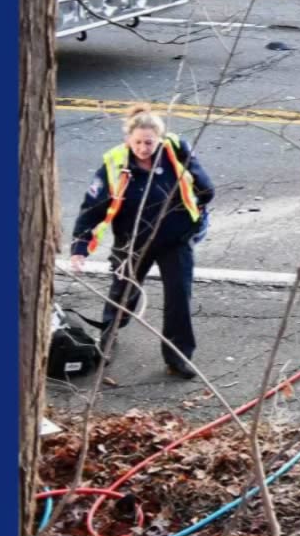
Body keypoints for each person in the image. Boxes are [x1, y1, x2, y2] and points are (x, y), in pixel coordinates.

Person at [69, 105, 215, 380]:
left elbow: (206, 189)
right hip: (132, 241)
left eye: (149, 142)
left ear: (159, 139)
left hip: (176, 239)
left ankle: (178, 357)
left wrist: (195, 202)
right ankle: (109, 339)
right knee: (123, 293)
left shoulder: (175, 154)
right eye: (137, 142)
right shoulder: (114, 165)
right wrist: (80, 248)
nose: (143, 148)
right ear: (128, 140)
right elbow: (91, 209)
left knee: (179, 298)